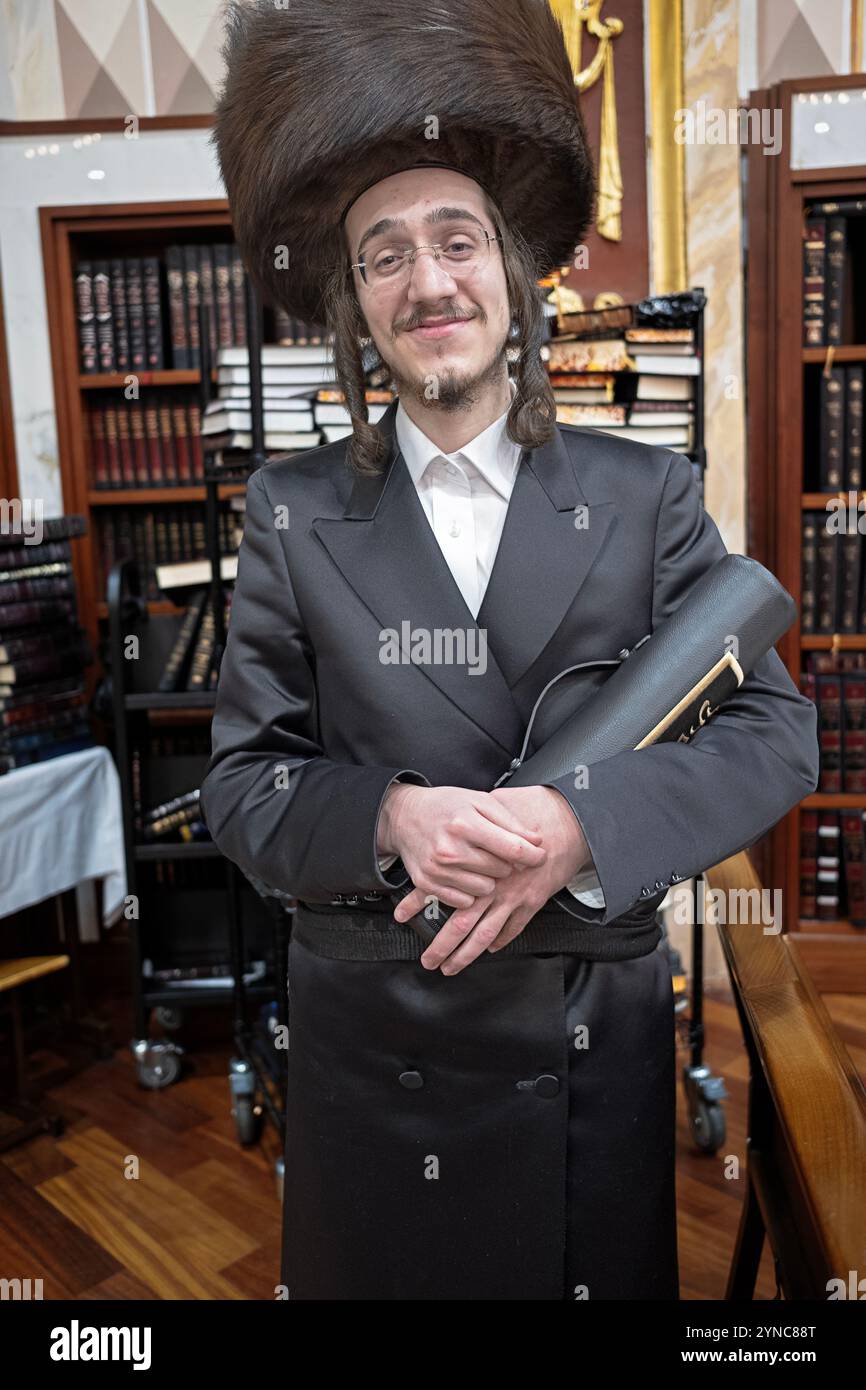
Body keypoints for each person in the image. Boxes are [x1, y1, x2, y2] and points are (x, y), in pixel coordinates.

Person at [199, 0, 820, 1300]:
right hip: (375, 1040)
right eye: (383, 257)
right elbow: (242, 786)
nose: (426, 281)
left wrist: (573, 823)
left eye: (453, 240)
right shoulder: (289, 510)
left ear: (512, 270)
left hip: (586, 1043)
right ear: (355, 305)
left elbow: (775, 732)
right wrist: (393, 815)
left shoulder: (644, 494)